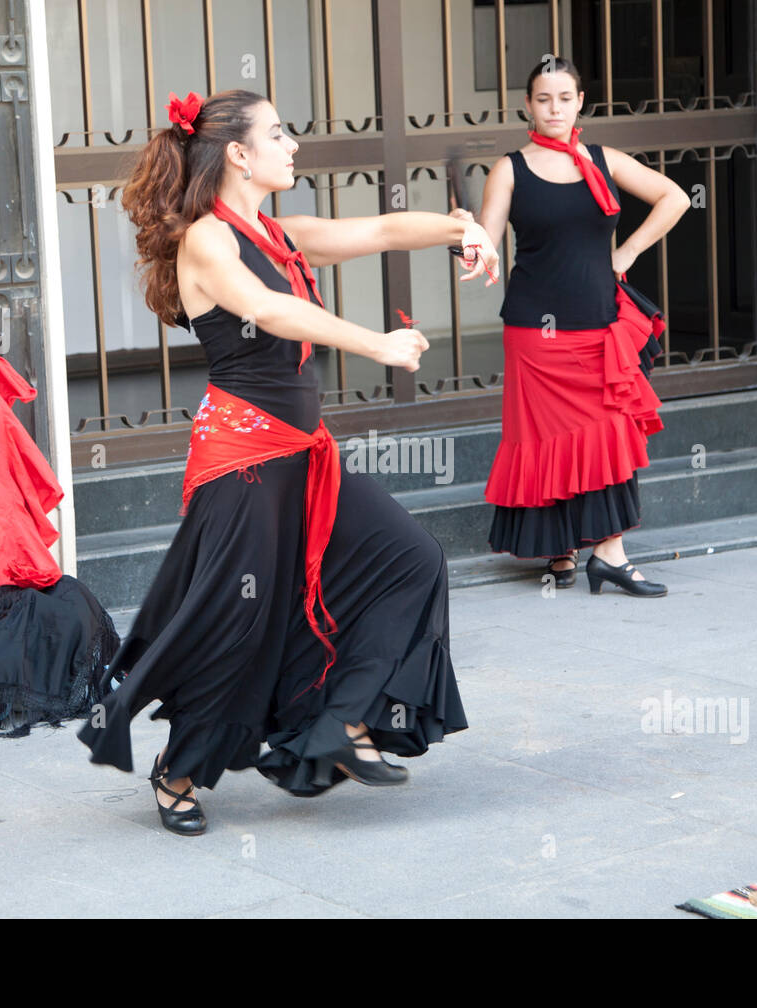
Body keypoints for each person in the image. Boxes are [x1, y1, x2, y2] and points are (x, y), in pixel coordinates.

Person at [76, 88, 495, 836]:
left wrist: (460, 228)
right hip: (242, 463)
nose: (293, 144)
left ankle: (339, 722)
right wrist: (376, 343)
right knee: (237, 623)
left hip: (304, 455)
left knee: (411, 559)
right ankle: (178, 770)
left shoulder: (280, 234)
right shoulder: (209, 240)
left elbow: (377, 227)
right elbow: (268, 313)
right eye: (278, 132)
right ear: (238, 153)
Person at [470, 57, 690, 596]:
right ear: (528, 106)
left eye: (564, 98)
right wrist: (472, 246)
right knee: (545, 440)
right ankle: (564, 551)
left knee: (606, 434)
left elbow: (675, 197)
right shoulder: (510, 169)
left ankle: (608, 554)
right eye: (543, 99)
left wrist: (629, 251)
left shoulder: (604, 159)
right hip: (534, 333)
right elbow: (487, 239)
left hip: (597, 323)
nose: (554, 109)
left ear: (580, 102)